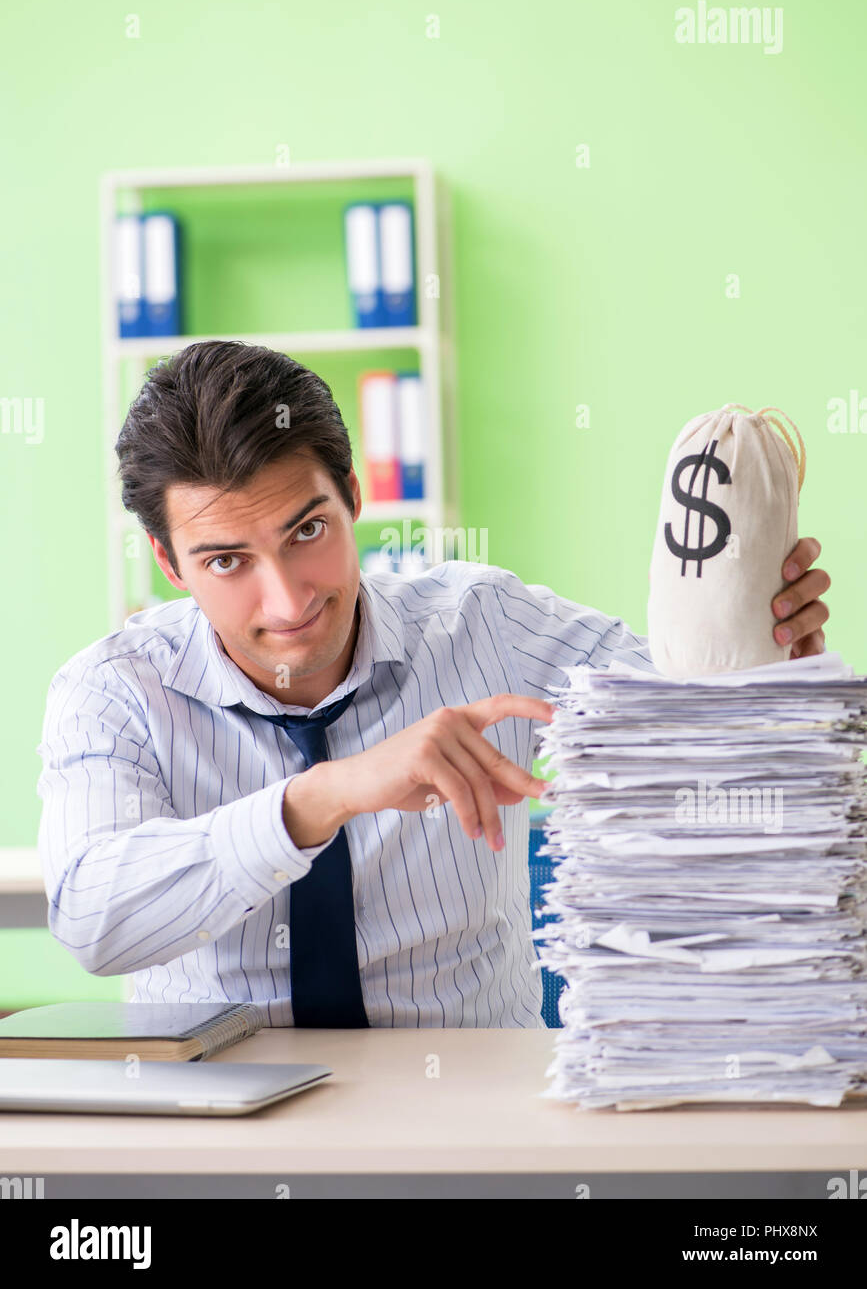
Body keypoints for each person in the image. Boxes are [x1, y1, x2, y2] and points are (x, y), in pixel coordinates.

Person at [36, 342, 831, 1027]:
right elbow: (92, 921)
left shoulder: (486, 622)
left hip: (475, 1127)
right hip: (218, 1136)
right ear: (169, 563)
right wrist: (328, 795)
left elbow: (699, 726)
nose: (288, 601)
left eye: (306, 531)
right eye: (226, 561)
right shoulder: (116, 690)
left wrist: (766, 670)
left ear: (353, 497)